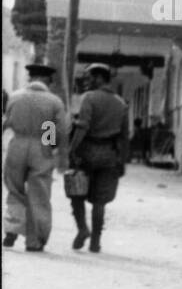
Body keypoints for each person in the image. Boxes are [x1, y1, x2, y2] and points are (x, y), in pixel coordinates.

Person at [2, 63, 70, 251]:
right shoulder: (53, 101)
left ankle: (11, 229)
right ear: (48, 80)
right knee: (39, 193)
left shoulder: (15, 97)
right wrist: (57, 153)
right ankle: (35, 240)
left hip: (17, 144)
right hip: (41, 146)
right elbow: (57, 130)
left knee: (14, 189)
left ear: (30, 78)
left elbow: (6, 122)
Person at [67, 62, 129, 253]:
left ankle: (82, 229)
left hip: (86, 152)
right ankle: (96, 241)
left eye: (89, 77)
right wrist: (122, 160)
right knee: (99, 201)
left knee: (77, 193)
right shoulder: (121, 103)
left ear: (100, 78)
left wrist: (71, 149)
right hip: (109, 155)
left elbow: (82, 127)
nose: (87, 81)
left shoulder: (89, 98)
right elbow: (125, 136)